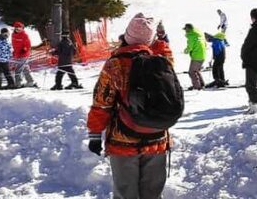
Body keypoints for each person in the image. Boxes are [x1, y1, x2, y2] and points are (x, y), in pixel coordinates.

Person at [87, 13, 179, 199]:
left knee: (126, 193)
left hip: (124, 140)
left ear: (127, 36)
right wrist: (156, 40)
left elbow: (102, 103)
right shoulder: (162, 59)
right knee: (152, 194)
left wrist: (95, 134)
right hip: (157, 137)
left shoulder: (116, 63)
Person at [11, 21, 37, 88]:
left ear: (22, 28)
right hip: (17, 54)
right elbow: (14, 44)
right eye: (16, 28)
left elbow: (28, 45)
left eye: (19, 28)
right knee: (25, 68)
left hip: (24, 54)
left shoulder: (24, 35)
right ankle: (30, 81)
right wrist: (14, 52)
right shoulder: (13, 35)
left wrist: (24, 50)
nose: (18, 29)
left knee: (18, 69)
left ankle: (18, 83)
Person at [182, 23, 207, 90]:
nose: (185, 31)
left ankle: (197, 86)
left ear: (188, 29)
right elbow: (205, 44)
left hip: (197, 56)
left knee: (191, 72)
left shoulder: (191, 36)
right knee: (196, 70)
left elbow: (190, 47)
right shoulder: (199, 34)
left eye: (186, 29)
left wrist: (186, 51)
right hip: (202, 55)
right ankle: (201, 84)